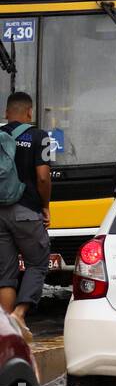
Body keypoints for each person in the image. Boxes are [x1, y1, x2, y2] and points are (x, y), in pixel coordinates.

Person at [0, 92, 51, 342]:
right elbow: (43, 177)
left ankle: (7, 330)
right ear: (29, 112)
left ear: (6, 112)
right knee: (38, 262)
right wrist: (45, 205)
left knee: (6, 273)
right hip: (27, 211)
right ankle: (20, 314)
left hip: (0, 213)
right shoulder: (39, 136)